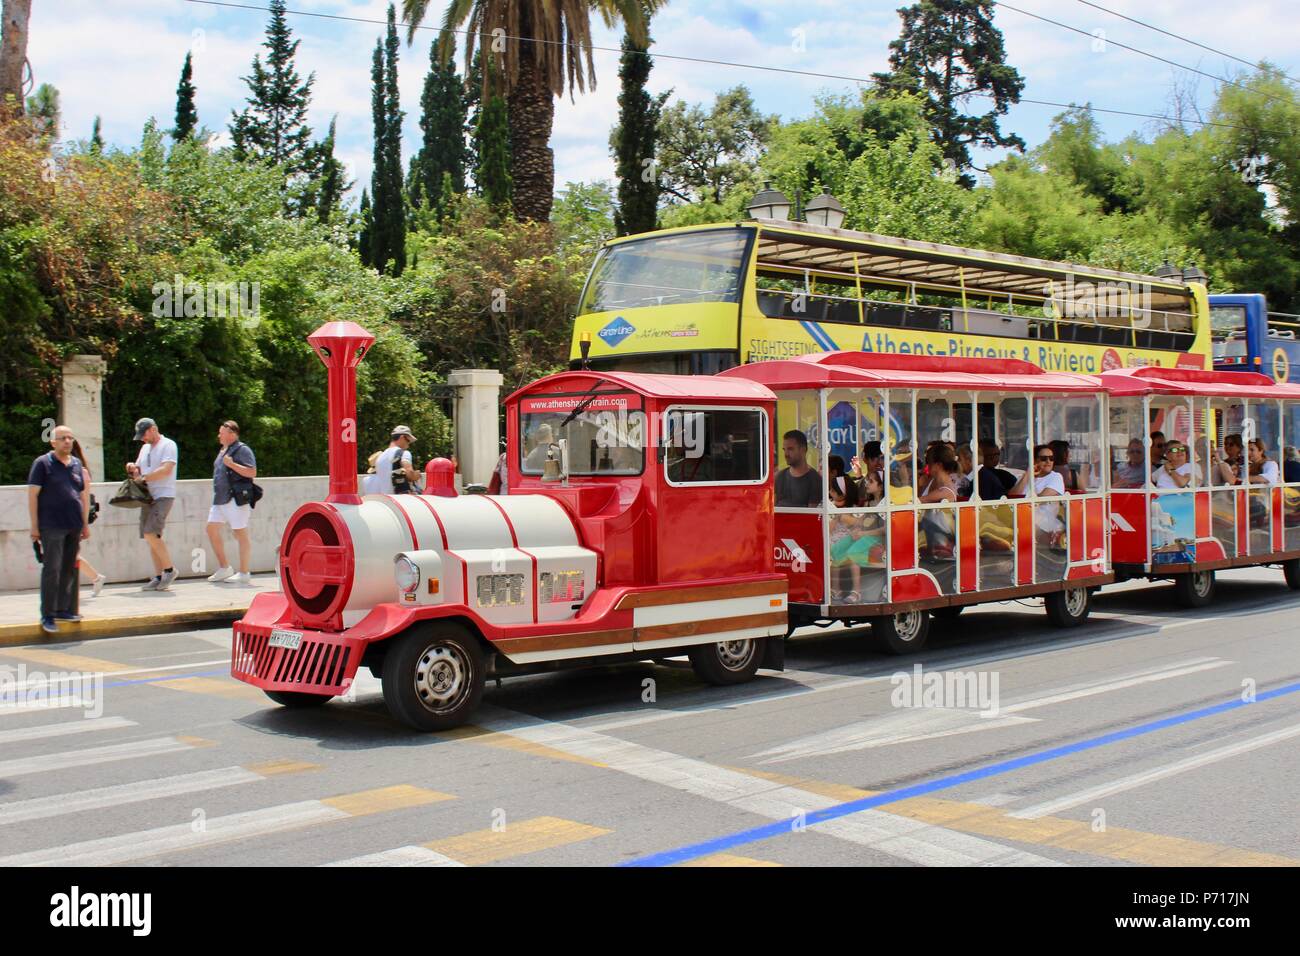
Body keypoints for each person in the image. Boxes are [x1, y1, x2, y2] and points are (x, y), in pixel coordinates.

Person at [28, 425, 91, 634]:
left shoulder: (76, 464)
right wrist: (35, 526)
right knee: (51, 569)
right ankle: (47, 614)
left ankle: (62, 609)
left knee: (68, 569)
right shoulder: (42, 464)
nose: (67, 441)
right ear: (53, 442)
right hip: (51, 525)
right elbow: (32, 496)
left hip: (73, 524)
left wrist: (84, 524)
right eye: (63, 438)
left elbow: (81, 496)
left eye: (70, 438)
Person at [126, 417, 178, 591]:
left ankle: (169, 571)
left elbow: (166, 470)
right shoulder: (145, 448)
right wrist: (133, 468)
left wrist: (145, 477)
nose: (142, 438)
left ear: (153, 429)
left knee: (150, 533)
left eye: (144, 434)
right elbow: (139, 471)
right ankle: (158, 576)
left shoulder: (168, 445)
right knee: (152, 538)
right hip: (148, 496)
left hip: (164, 495)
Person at [206, 420, 257, 585]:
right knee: (211, 529)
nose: (218, 435)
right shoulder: (223, 451)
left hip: (236, 499)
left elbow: (252, 472)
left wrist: (232, 464)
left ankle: (244, 572)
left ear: (232, 434)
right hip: (220, 499)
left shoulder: (242, 450)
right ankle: (225, 567)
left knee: (240, 533)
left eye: (222, 432)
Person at [70, 438, 107, 597]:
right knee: (69, 555)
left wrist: (83, 524)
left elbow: (84, 500)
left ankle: (93, 579)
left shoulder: (81, 471)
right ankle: (96, 578)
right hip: (62, 518)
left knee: (69, 554)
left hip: (74, 518)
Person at [1013, 443, 1065, 541]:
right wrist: (1028, 474)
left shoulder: (1056, 477)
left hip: (1044, 522)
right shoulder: (1024, 477)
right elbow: (1012, 496)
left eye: (1051, 458)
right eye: (1044, 458)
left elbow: (1037, 500)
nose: (1048, 461)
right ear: (1035, 460)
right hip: (1021, 518)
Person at [775, 430, 822, 507]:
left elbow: (812, 515)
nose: (786, 454)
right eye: (784, 449)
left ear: (803, 449)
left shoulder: (815, 480)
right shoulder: (780, 476)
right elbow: (772, 509)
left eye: (790, 449)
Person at [366, 426, 420, 494]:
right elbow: (410, 474)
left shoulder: (380, 458)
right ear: (402, 437)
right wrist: (417, 475)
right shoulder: (404, 453)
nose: (408, 444)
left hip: (387, 500)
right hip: (401, 500)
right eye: (408, 440)